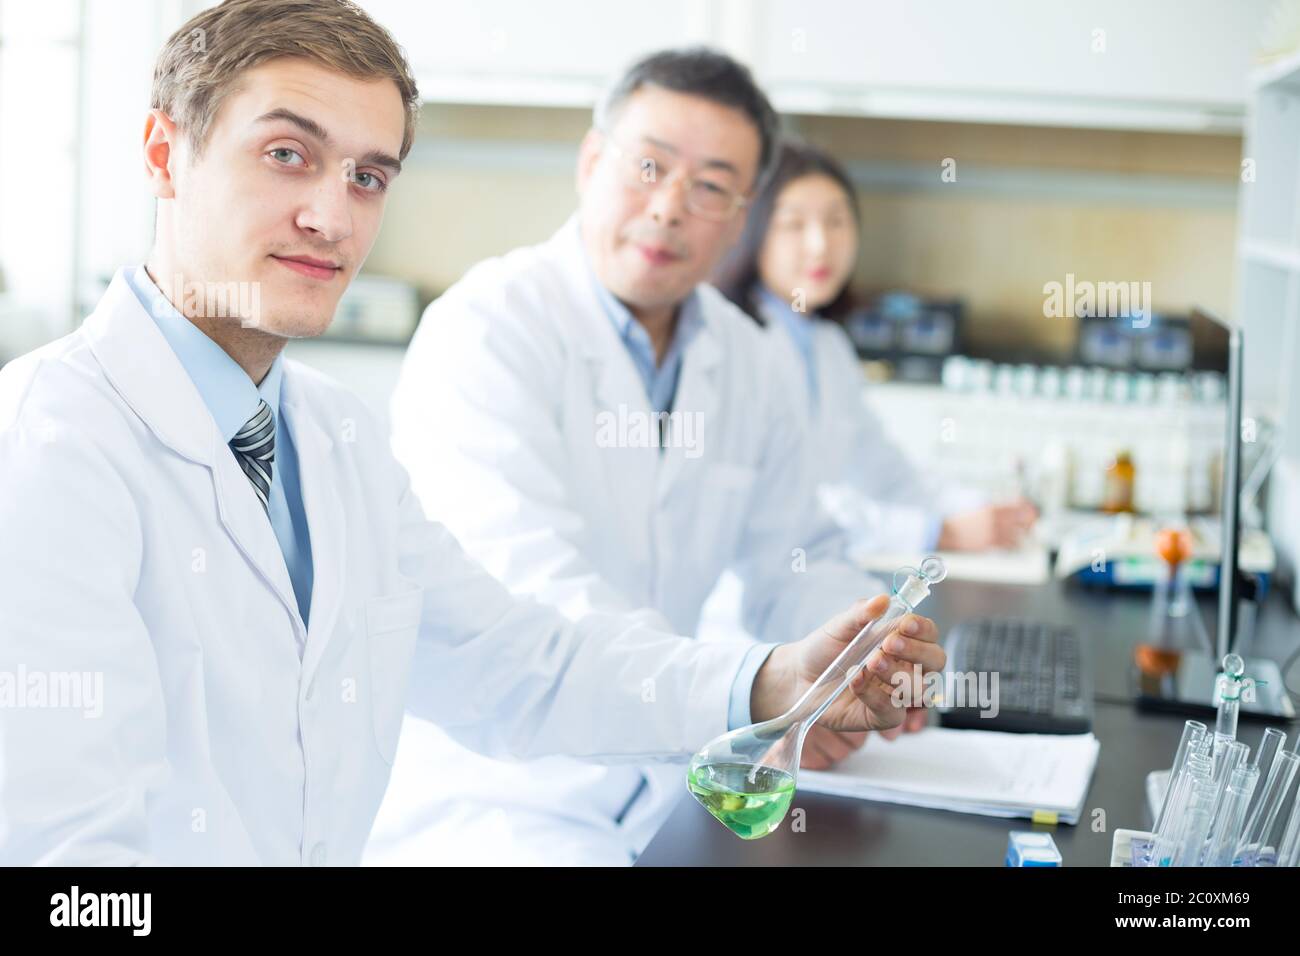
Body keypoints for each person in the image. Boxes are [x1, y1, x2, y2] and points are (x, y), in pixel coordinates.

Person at [0, 1, 945, 867]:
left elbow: (514, 661)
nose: (331, 216)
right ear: (164, 153)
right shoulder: (51, 443)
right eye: (287, 153)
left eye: (368, 176)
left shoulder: (333, 437)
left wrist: (770, 681)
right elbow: (71, 864)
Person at [369, 48, 930, 867]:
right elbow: (533, 611)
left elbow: (797, 553)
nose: (669, 207)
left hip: (678, 783)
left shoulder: (749, 359)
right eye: (646, 166)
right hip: (500, 800)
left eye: (710, 187)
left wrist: (857, 656)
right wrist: (761, 685)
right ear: (591, 163)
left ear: (740, 217)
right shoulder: (486, 331)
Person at [714, 138, 1038, 556]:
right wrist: (942, 533)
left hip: (808, 586)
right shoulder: (735, 345)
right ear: (753, 233)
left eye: (836, 221)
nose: (820, 244)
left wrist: (981, 511)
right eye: (794, 224)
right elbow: (790, 505)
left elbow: (881, 468)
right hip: (736, 607)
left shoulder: (827, 345)